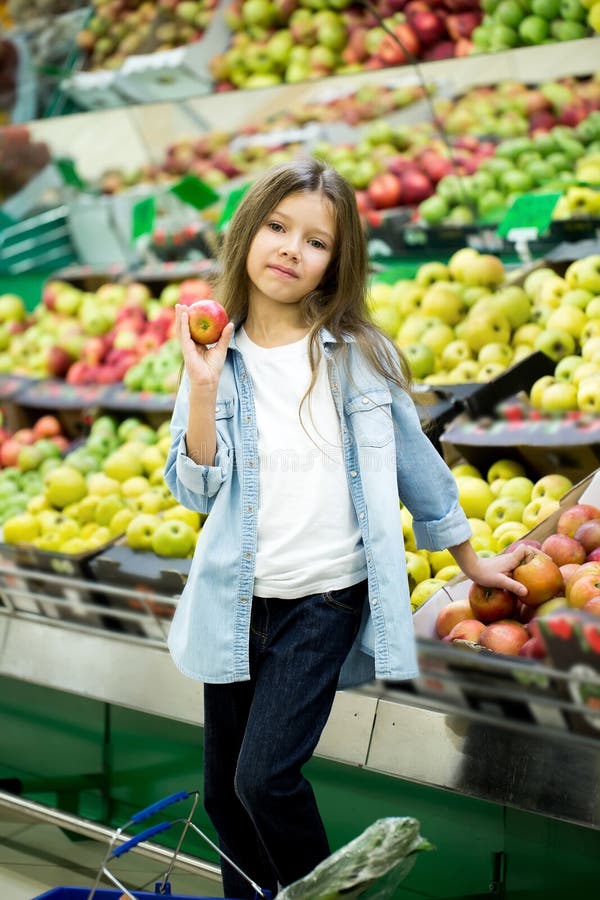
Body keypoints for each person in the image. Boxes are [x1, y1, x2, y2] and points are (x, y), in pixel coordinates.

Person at [164, 156, 531, 898]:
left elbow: (418, 468)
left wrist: (471, 560)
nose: (291, 249)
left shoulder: (360, 357)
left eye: (316, 241)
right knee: (229, 797)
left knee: (264, 777)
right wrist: (202, 391)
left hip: (323, 604)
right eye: (276, 227)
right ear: (247, 233)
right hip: (237, 604)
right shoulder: (215, 358)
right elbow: (196, 487)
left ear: (337, 263)